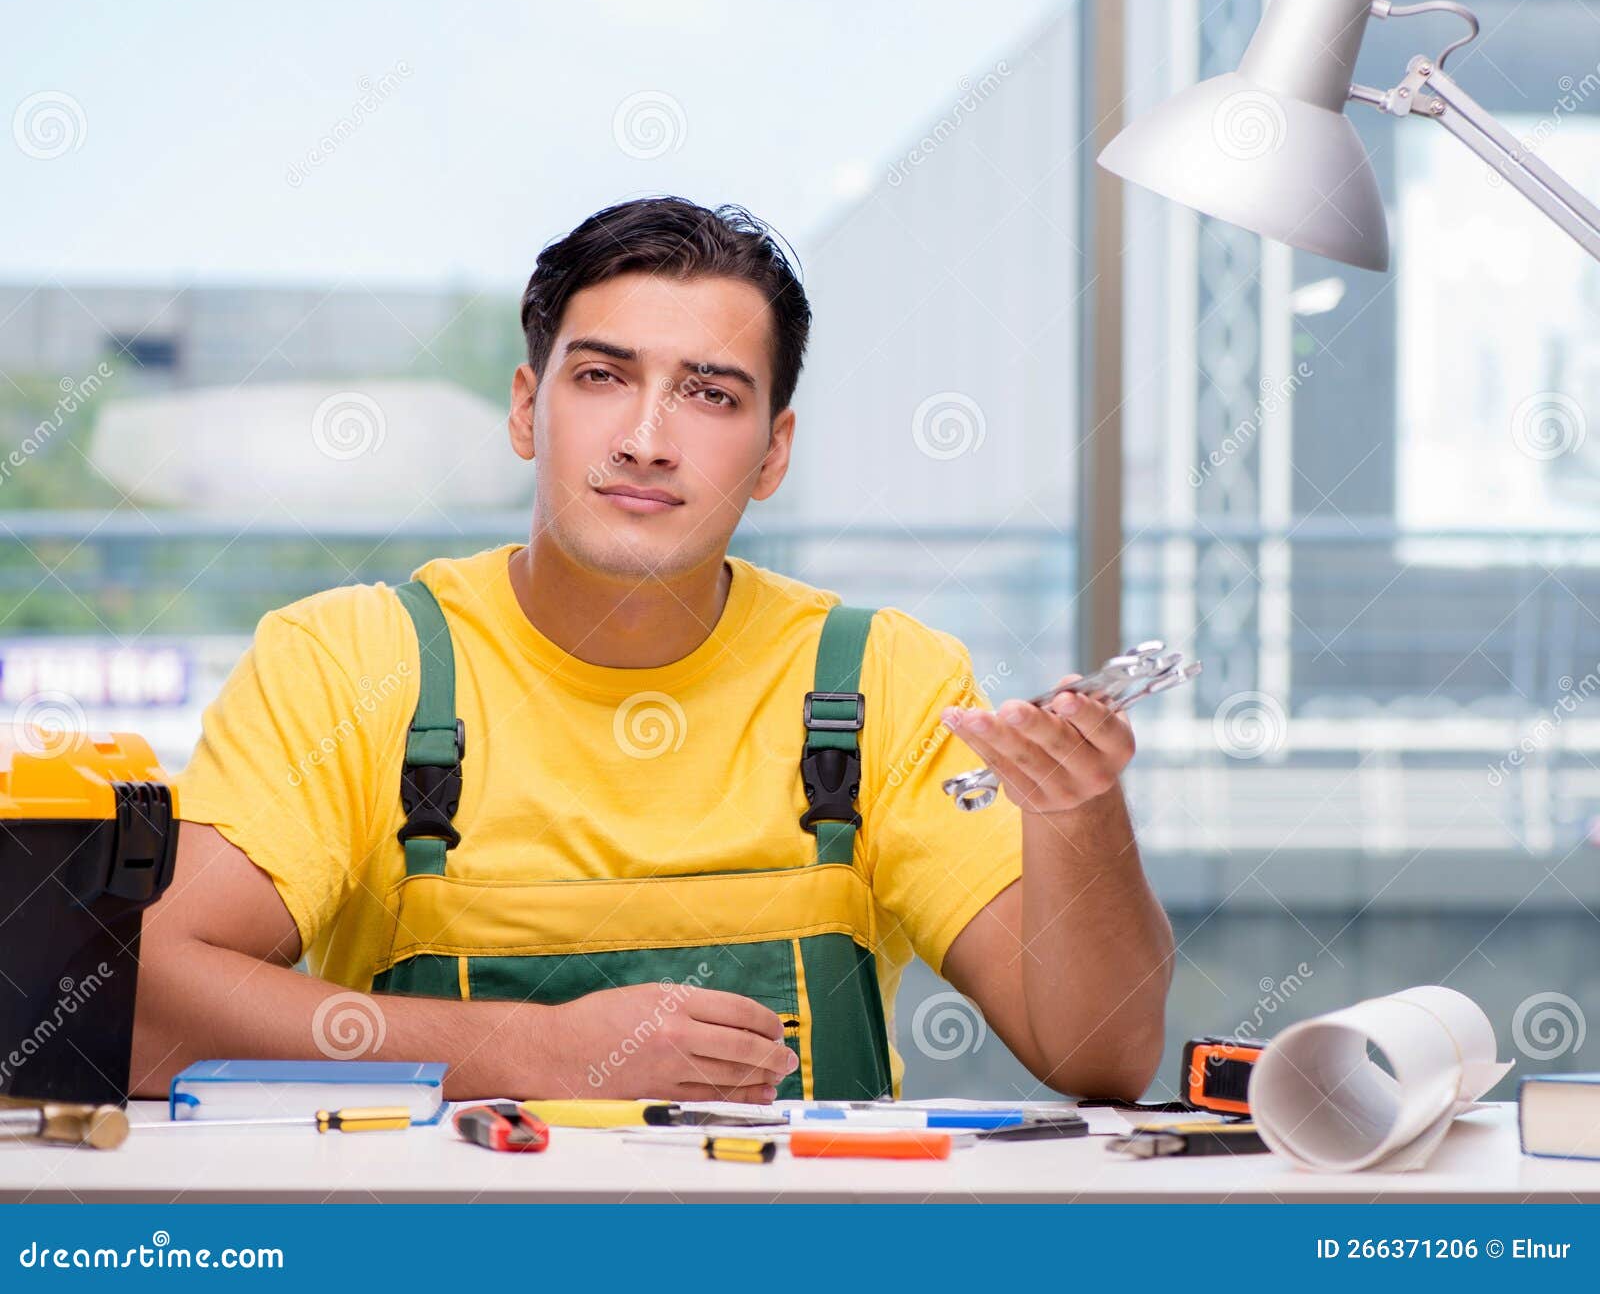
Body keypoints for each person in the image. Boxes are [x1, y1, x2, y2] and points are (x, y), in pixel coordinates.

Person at [131, 196, 1174, 1103]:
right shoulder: (354, 663)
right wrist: (532, 1051)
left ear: (773, 453)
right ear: (527, 409)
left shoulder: (883, 683)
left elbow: (1100, 1054)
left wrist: (1080, 817)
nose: (645, 436)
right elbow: (144, 1010)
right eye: (600, 376)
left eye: (710, 393)